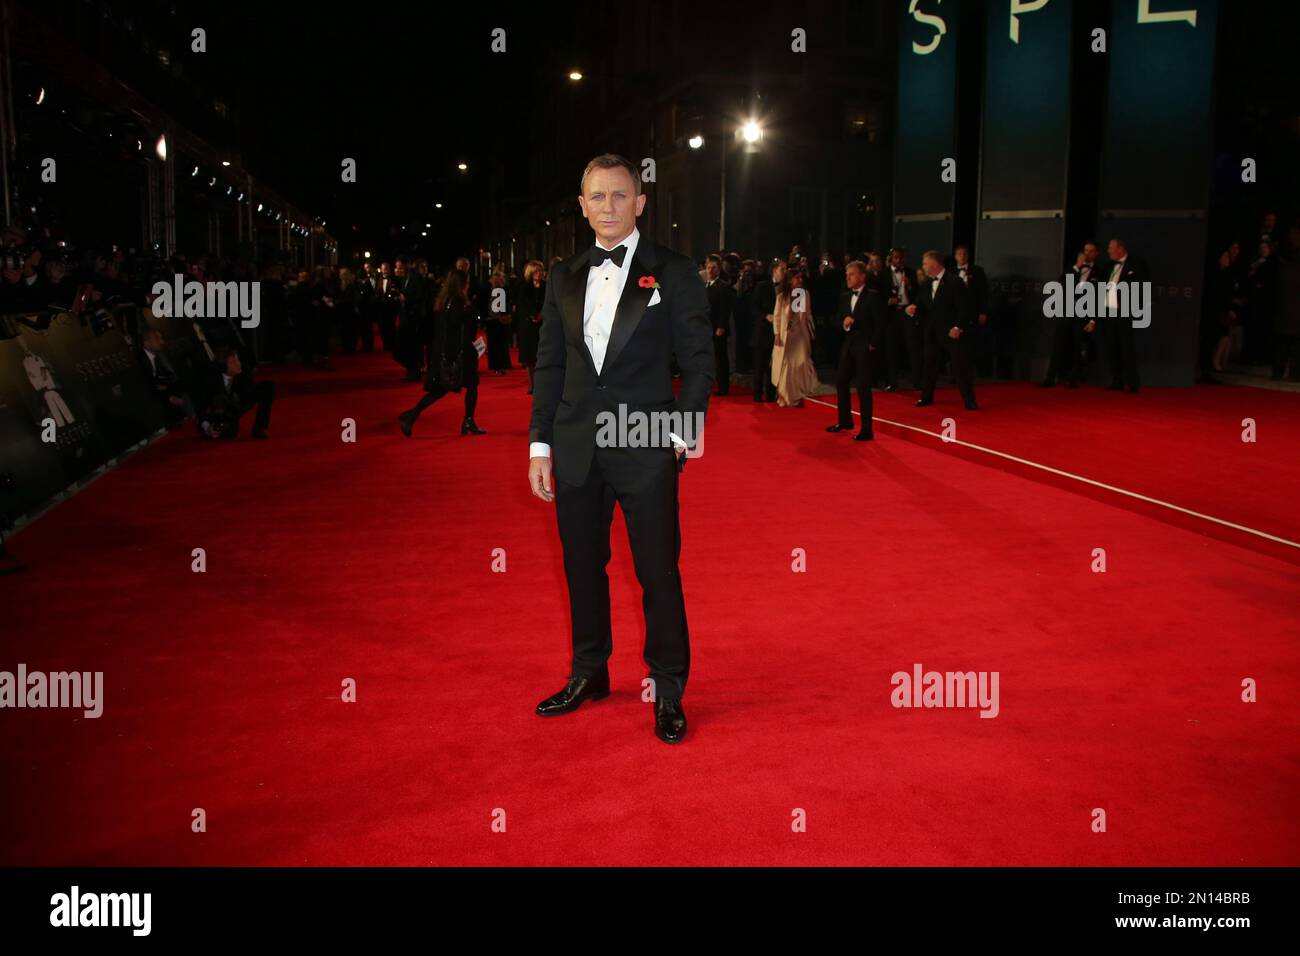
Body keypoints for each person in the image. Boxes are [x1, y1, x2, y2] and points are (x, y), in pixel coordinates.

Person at [527, 153, 713, 745]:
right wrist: (538, 444)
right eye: (596, 198)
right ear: (582, 207)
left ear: (640, 202)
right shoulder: (563, 276)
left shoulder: (676, 271)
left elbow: (700, 360)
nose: (608, 207)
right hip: (577, 441)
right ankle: (590, 672)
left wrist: (685, 433)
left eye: (618, 196)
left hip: (645, 441)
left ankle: (669, 686)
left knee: (657, 571)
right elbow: (550, 365)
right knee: (582, 567)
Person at [397, 269, 486, 437]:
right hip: (458, 352)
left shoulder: (444, 301)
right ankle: (467, 421)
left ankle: (412, 415)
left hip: (446, 351)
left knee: (440, 390)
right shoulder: (459, 302)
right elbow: (463, 327)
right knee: (470, 385)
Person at [909, 249, 977, 410]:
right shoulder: (926, 285)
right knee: (929, 366)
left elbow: (964, 308)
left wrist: (958, 327)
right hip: (932, 332)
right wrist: (913, 308)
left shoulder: (955, 282)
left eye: (925, 263)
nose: (923, 267)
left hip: (951, 332)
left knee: (961, 367)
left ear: (934, 263)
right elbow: (920, 305)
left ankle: (969, 399)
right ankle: (926, 397)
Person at [826, 260, 885, 439]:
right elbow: (837, 319)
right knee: (841, 381)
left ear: (862, 276)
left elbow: (881, 323)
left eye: (851, 274)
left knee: (862, 387)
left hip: (865, 346)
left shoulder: (873, 296)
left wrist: (873, 343)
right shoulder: (845, 296)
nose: (848, 277)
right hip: (849, 345)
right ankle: (845, 421)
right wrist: (844, 323)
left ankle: (867, 429)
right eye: (847, 274)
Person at [1099, 238, 1147, 392]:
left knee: (1127, 348)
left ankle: (1133, 383)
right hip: (1108, 312)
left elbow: (1142, 288)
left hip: (1124, 313)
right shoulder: (1108, 267)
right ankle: (1116, 381)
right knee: (1112, 347)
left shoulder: (1136, 265)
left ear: (1121, 249)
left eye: (1110, 248)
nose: (1108, 251)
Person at [197, 347, 274, 439]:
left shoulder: (244, 372)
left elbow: (248, 397)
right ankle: (216, 427)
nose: (238, 364)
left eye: (238, 360)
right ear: (223, 366)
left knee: (268, 386)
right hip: (218, 413)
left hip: (235, 408)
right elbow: (201, 406)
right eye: (233, 362)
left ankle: (260, 428)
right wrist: (207, 427)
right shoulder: (210, 379)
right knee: (228, 434)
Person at [770, 268, 818, 406]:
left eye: (801, 278)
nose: (800, 280)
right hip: (786, 336)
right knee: (785, 365)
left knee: (800, 363)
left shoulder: (804, 294)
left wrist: (810, 330)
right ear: (790, 280)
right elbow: (777, 316)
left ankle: (797, 393)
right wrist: (777, 334)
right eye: (797, 278)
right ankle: (785, 396)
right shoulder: (781, 296)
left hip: (800, 334)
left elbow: (806, 314)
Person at [750, 259, 783, 402]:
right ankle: (757, 395)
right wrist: (765, 316)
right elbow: (753, 307)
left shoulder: (787, 288)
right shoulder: (762, 286)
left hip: (780, 333)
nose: (785, 272)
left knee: (774, 366)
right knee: (759, 365)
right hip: (763, 331)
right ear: (774, 271)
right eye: (782, 269)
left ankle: (771, 394)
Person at [517, 260, 547, 394]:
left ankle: (542, 384)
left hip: (543, 325)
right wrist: (530, 316)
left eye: (540, 270)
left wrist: (541, 315)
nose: (539, 273)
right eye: (536, 271)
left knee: (542, 356)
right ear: (530, 272)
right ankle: (532, 384)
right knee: (529, 358)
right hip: (527, 326)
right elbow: (520, 305)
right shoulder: (524, 287)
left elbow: (550, 302)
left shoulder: (547, 286)